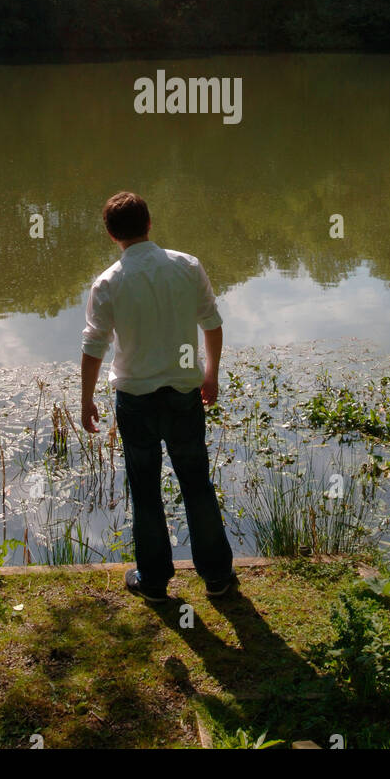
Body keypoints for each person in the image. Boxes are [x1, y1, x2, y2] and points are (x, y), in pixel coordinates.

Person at [80, 191, 235, 603]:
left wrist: (86, 400)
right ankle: (218, 578)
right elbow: (213, 324)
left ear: (112, 234)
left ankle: (154, 582)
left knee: (145, 490)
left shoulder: (108, 283)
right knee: (196, 485)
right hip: (184, 394)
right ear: (149, 224)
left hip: (136, 400)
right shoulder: (187, 266)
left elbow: (94, 346)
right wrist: (211, 375)